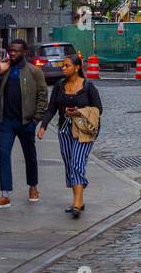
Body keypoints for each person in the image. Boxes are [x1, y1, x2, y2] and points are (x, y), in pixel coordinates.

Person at [37, 52, 102, 218]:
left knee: (77, 163)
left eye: (67, 66)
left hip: (83, 131)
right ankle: (78, 197)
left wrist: (78, 112)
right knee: (69, 163)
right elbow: (51, 108)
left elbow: (98, 109)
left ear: (77, 68)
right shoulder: (59, 85)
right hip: (64, 130)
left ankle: (77, 204)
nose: (64, 68)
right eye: (63, 66)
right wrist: (43, 126)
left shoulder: (88, 86)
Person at [0, 38, 47, 208]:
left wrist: (36, 119)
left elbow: (42, 95)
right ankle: (5, 195)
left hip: (26, 122)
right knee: (4, 156)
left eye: (16, 51)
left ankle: (33, 187)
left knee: (30, 156)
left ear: (24, 52)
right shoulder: (4, 69)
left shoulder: (34, 71)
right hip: (6, 122)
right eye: (10, 50)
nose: (12, 53)